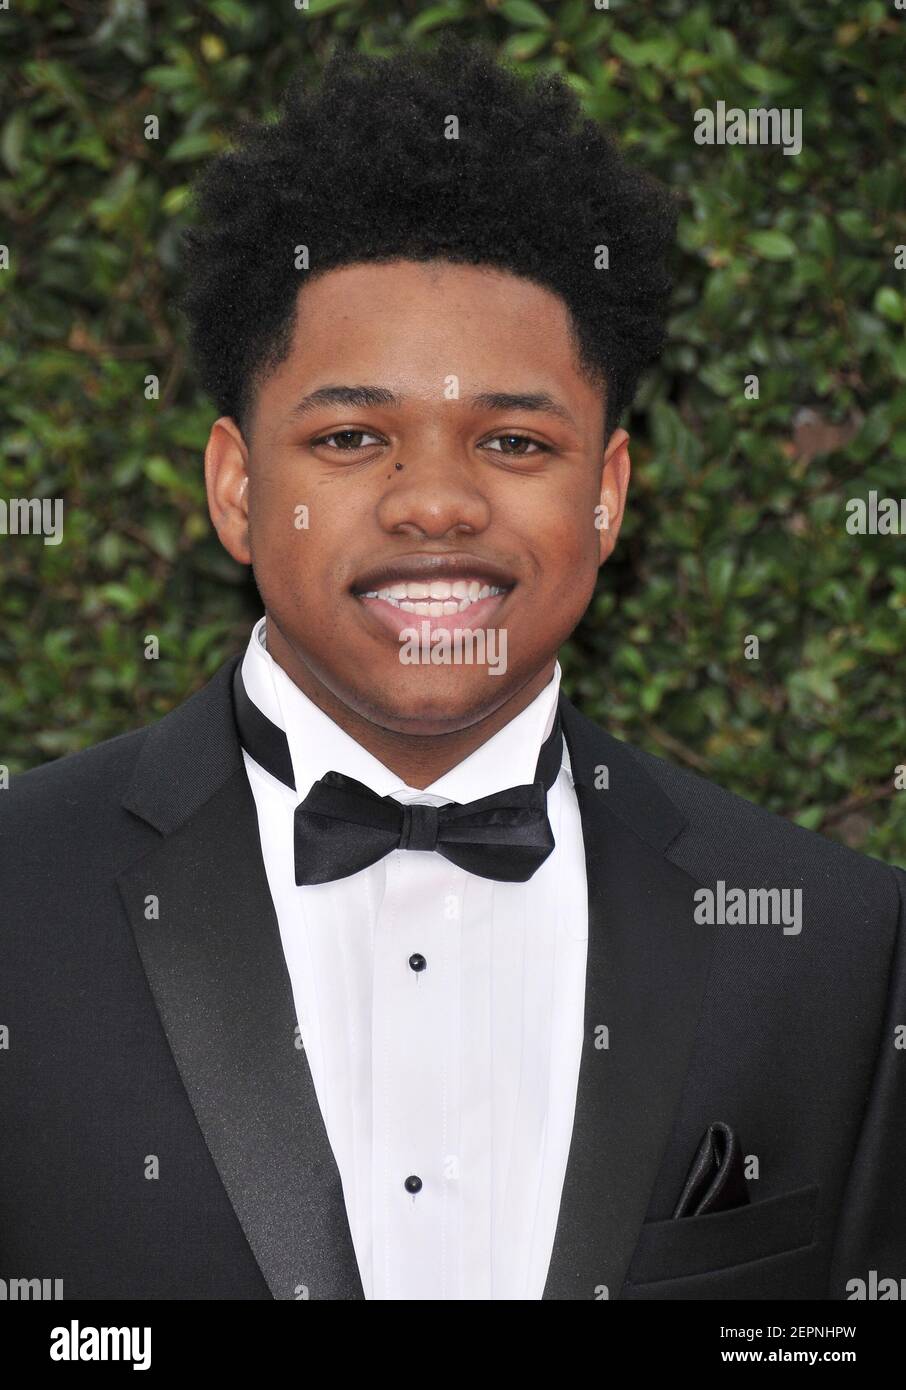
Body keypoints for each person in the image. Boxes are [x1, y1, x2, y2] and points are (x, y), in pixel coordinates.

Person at [2, 36, 903, 1302]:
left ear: (607, 496)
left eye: (515, 439)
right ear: (238, 486)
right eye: (354, 434)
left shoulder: (834, 943)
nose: (435, 502)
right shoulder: (14, 905)